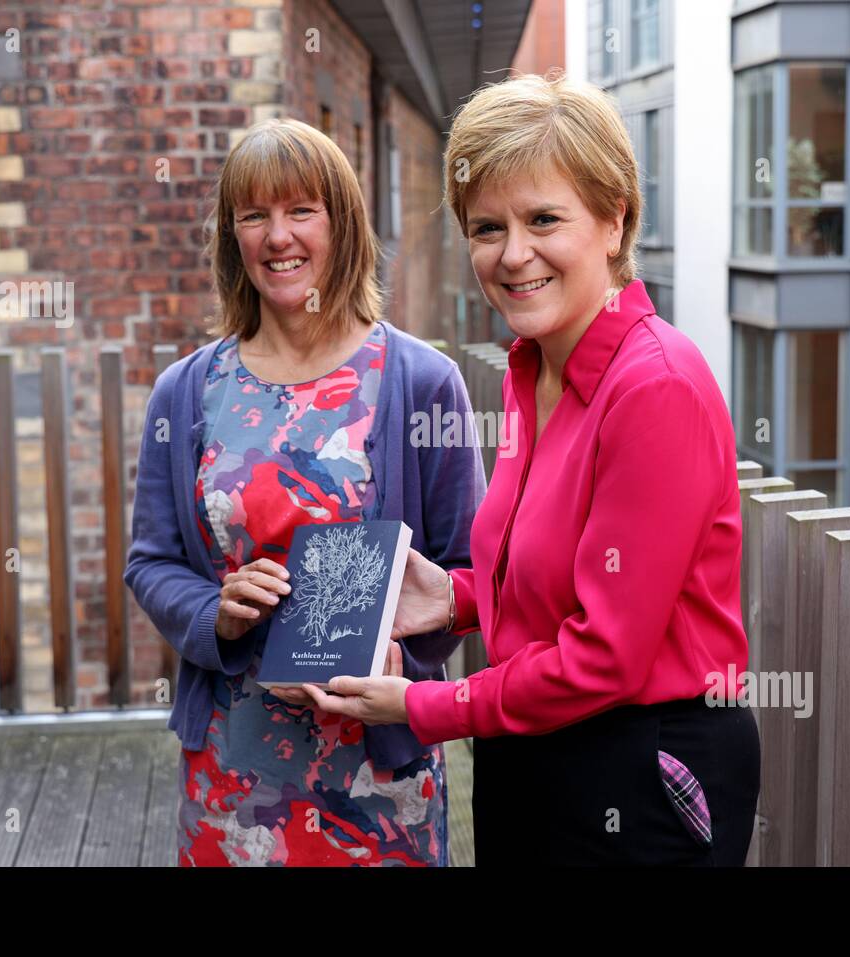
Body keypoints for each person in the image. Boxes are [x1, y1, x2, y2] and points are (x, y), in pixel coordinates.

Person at [298, 73, 762, 866]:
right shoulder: (535, 368)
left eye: (544, 218)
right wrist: (457, 595)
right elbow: (568, 576)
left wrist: (425, 704)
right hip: (535, 749)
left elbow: (606, 654)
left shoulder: (656, 386)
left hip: (639, 768)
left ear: (614, 220)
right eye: (487, 227)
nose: (514, 254)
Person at [124, 118, 485, 866]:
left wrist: (398, 654)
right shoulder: (187, 392)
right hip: (233, 768)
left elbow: (468, 572)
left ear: (342, 224)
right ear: (234, 237)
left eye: (300, 211)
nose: (277, 235)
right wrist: (212, 611)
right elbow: (151, 560)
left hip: (378, 770)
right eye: (254, 215)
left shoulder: (422, 383)